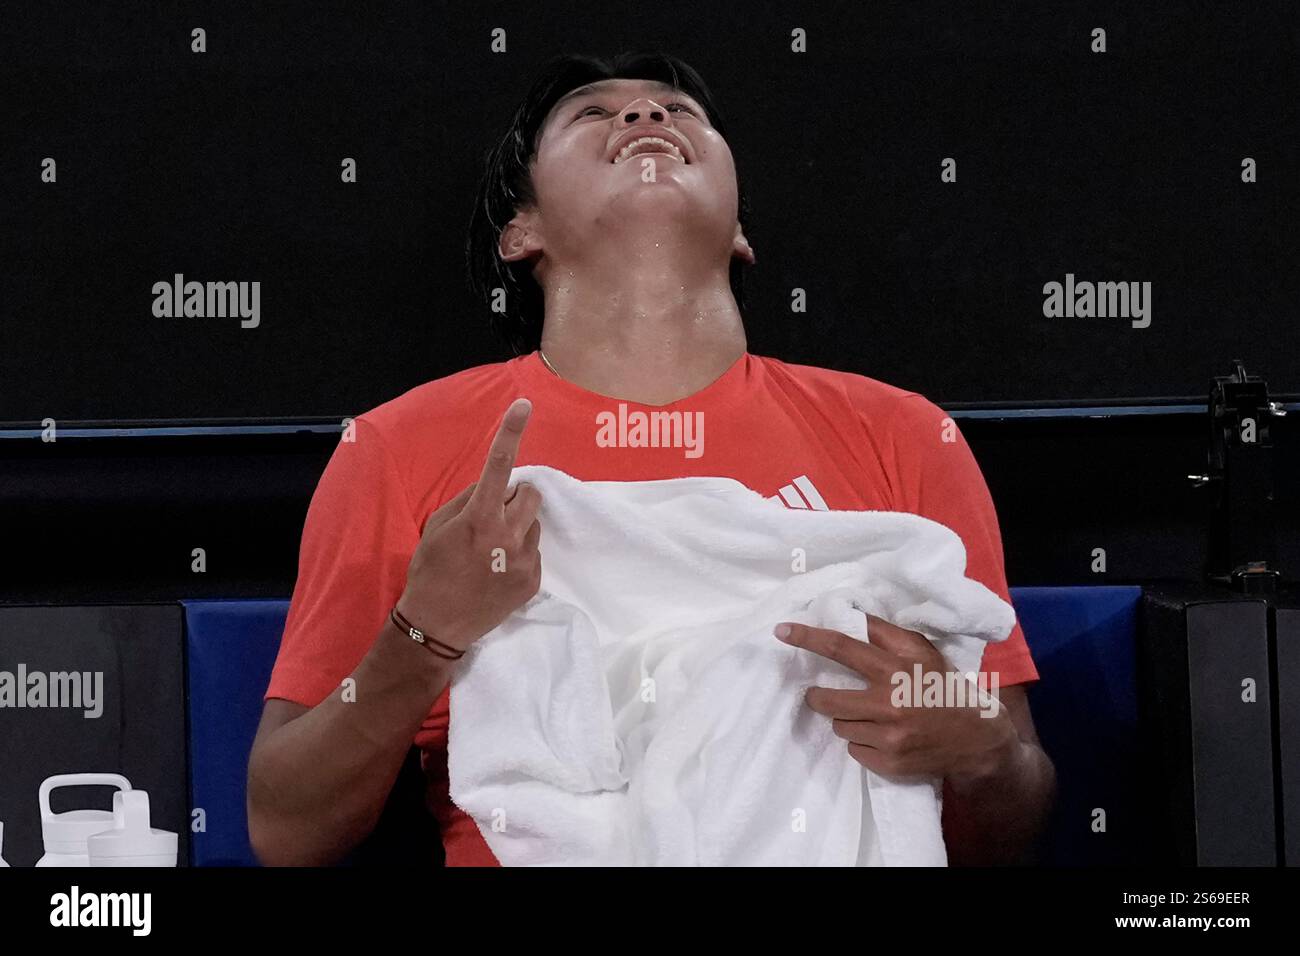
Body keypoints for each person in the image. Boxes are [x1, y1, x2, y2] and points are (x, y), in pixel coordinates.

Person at [247, 51, 1056, 867]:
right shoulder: (398, 448)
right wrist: (426, 635)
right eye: (593, 115)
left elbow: (1010, 827)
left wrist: (981, 752)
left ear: (740, 231)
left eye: (679, 112)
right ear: (520, 232)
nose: (646, 119)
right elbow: (287, 832)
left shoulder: (907, 437)